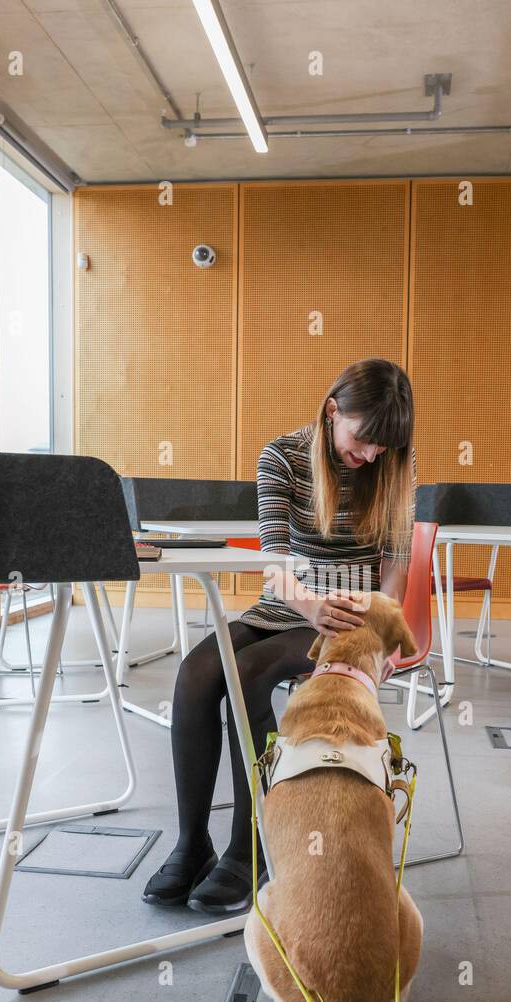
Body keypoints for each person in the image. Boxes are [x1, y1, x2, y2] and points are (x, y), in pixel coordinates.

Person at [143, 356, 417, 914]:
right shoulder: (283, 457)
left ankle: (251, 850)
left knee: (248, 674)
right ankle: (193, 844)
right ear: (332, 410)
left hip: (355, 619)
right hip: (290, 603)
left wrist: (384, 634)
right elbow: (274, 556)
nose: (369, 456)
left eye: (380, 449)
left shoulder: (393, 467)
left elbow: (394, 565)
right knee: (195, 673)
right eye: (362, 440)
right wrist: (308, 604)